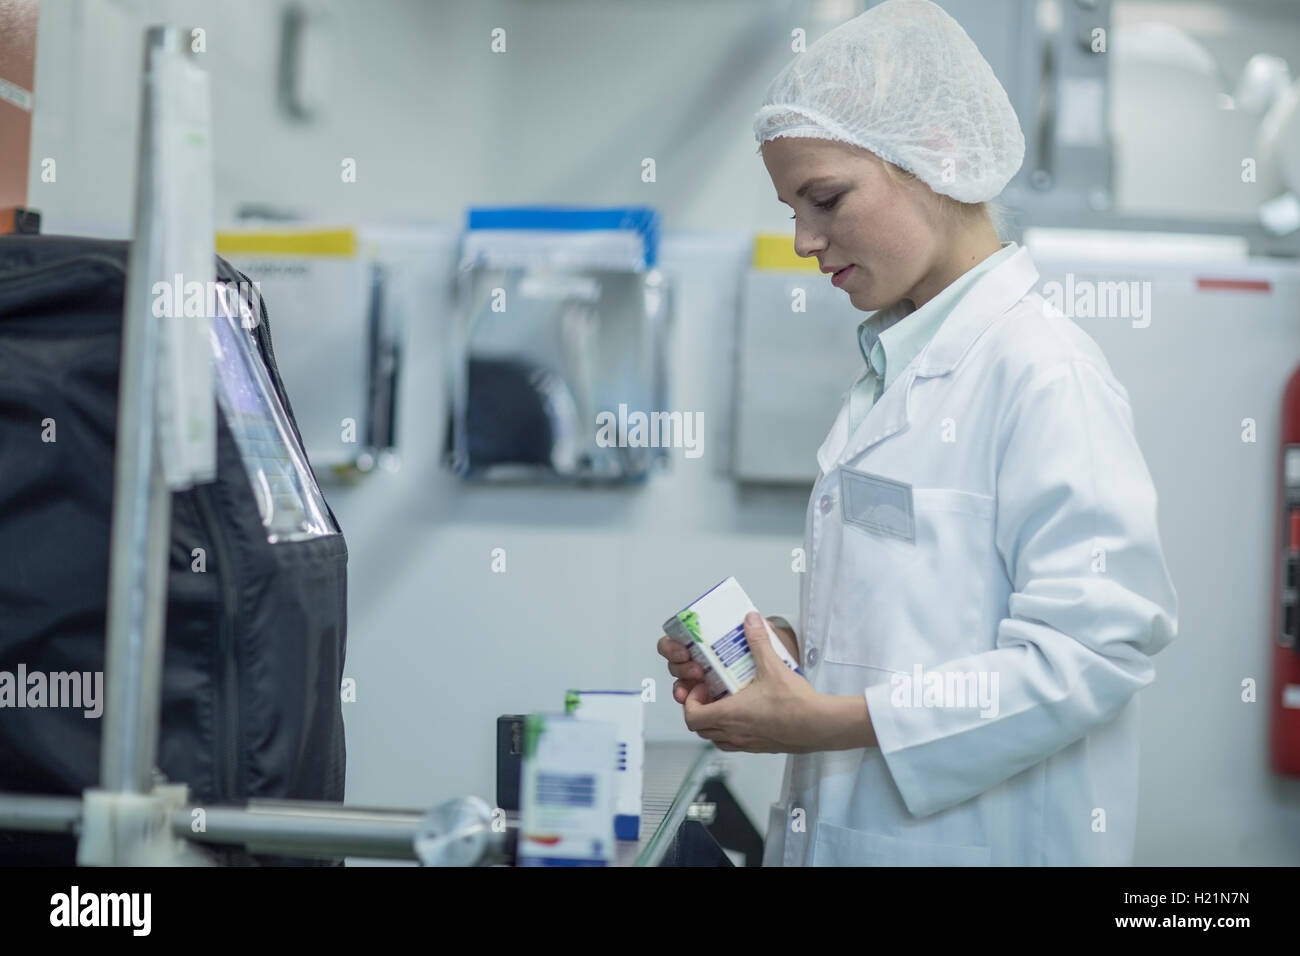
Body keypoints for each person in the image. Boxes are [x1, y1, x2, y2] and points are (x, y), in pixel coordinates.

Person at [657, 0, 1177, 866]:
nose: (801, 240)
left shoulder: (1043, 372)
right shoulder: (897, 364)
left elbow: (1096, 650)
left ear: (936, 154)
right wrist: (788, 659)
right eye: (792, 207)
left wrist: (826, 722)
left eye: (825, 198)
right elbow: (921, 628)